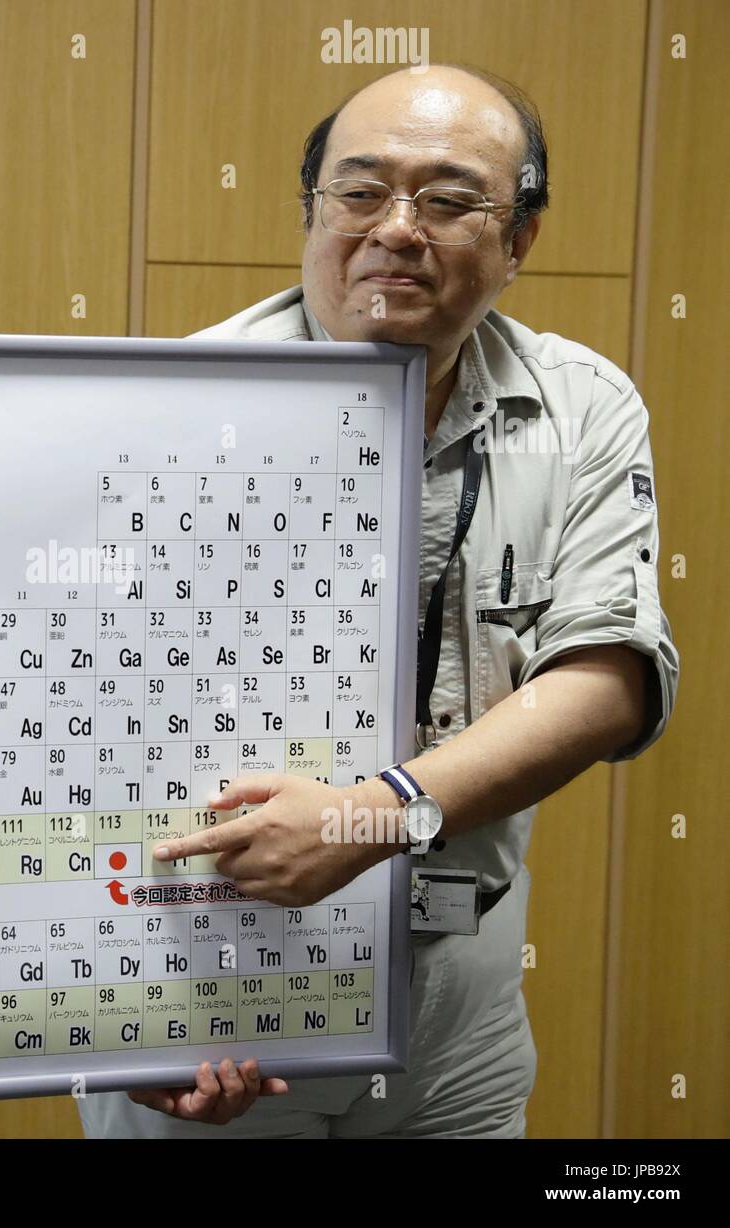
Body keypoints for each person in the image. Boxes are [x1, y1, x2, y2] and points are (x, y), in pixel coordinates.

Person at [77, 63, 678, 1139]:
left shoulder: (583, 407)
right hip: (216, 985)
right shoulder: (168, 407)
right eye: (358, 194)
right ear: (310, 212)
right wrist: (108, 1016)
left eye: (448, 201)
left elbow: (605, 683)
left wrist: (372, 812)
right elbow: (69, 734)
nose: (396, 230)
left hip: (463, 1005)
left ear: (519, 238)